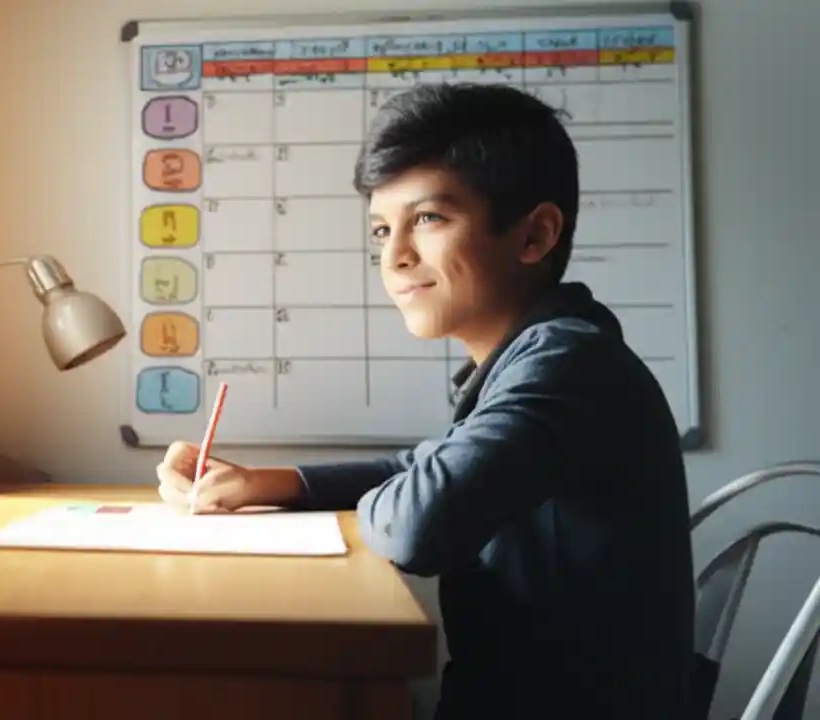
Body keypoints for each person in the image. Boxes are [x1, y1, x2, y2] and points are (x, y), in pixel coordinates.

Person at [155, 83, 694, 719]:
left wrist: (403, 492)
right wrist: (267, 483)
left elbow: (420, 522)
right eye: (383, 229)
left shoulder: (567, 364)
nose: (395, 256)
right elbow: (421, 471)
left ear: (535, 235)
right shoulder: (535, 356)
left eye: (429, 219)